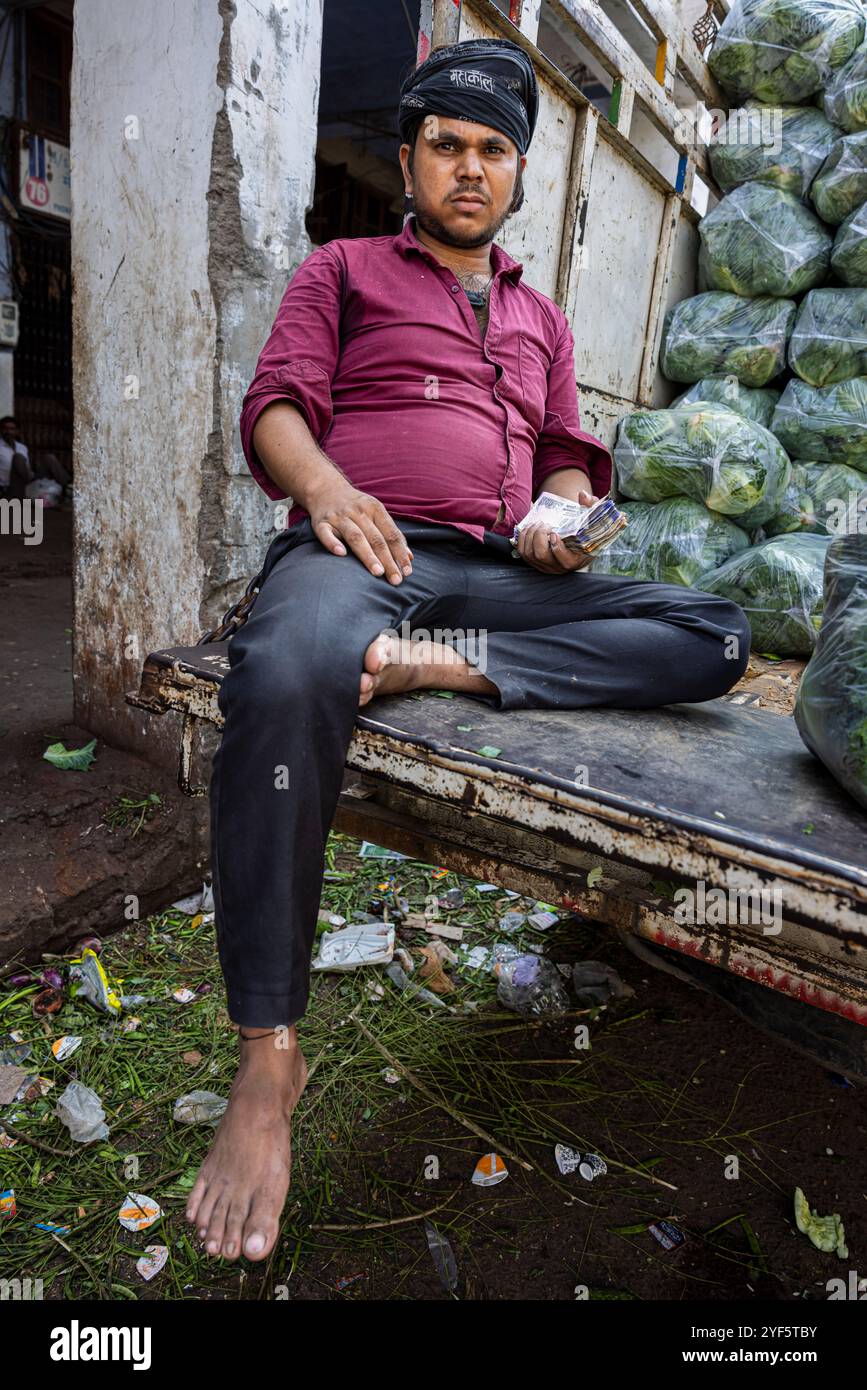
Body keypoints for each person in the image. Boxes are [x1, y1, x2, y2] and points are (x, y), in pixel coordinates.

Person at [185, 37, 751, 1264]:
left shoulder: (541, 317)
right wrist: (326, 491)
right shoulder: (342, 271)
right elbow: (275, 403)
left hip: (501, 581)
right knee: (285, 671)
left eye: (495, 150)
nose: (471, 167)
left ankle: (454, 664)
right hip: (366, 553)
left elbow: (564, 451)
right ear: (410, 158)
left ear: (518, 174)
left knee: (714, 631)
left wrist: (557, 513)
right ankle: (269, 1050)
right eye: (448, 143)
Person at [0, 416, 33, 500]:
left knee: (50, 459)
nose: (9, 432)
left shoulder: (22, 447)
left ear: (17, 431)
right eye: (5, 428)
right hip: (8, 488)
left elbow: (26, 468)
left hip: (27, 484)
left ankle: (69, 490)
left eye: (12, 429)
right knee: (18, 457)